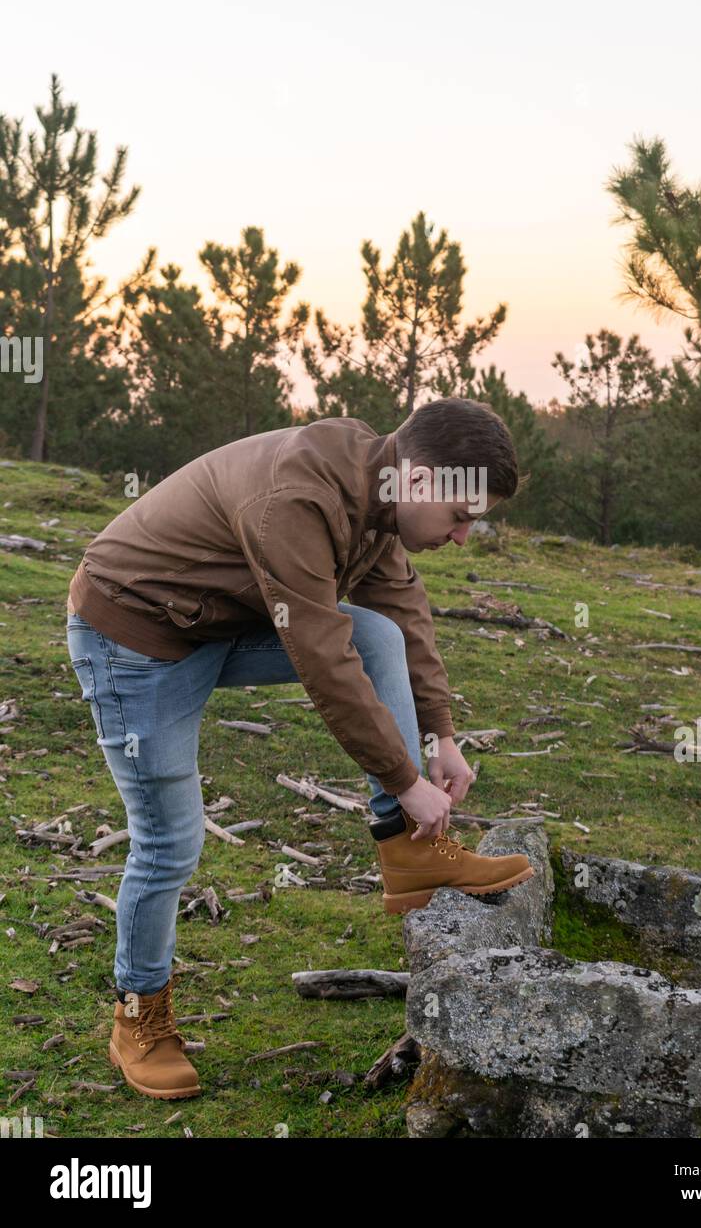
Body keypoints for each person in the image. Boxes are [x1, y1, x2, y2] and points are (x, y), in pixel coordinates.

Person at [65, 396, 534, 1099]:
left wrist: (441, 736)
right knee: (169, 842)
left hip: (216, 623)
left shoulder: (377, 492)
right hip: (133, 640)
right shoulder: (297, 498)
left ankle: (405, 848)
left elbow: (401, 616)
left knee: (378, 632)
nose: (464, 536)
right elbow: (319, 654)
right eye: (461, 516)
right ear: (419, 481)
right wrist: (406, 777)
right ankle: (140, 1018)